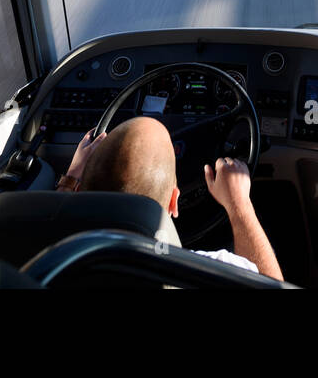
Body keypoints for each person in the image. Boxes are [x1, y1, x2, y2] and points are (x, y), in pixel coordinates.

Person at [56, 117, 283, 280]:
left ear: (79, 192)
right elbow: (272, 284)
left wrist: (71, 176)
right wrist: (239, 205)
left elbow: (45, 221)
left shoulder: (48, 248)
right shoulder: (210, 270)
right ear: (174, 202)